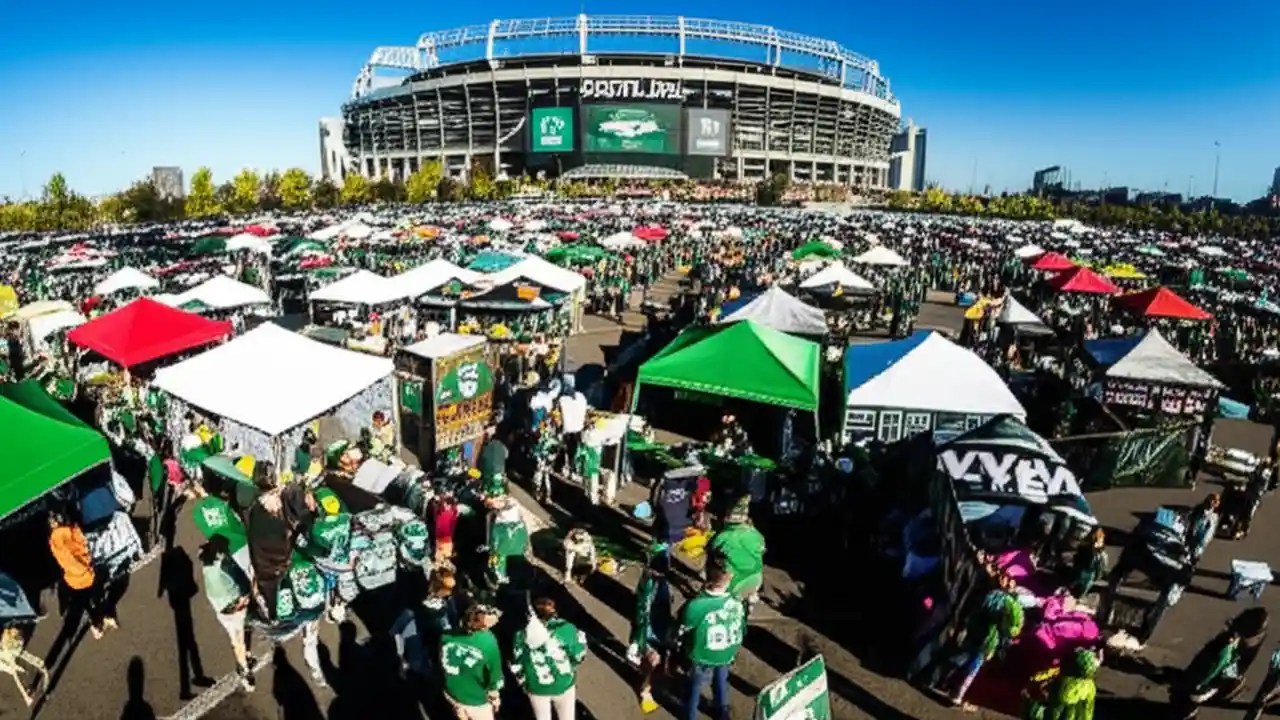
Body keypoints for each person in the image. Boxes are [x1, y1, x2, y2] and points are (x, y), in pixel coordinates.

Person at [672, 561, 746, 720]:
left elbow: (682, 629)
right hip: (725, 653)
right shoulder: (737, 603)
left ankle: (690, 715)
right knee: (721, 681)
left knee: (694, 686)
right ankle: (722, 712)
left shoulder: (696, 605)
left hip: (701, 654)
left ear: (706, 575)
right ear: (731, 578)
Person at [942, 571, 1024, 709]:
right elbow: (1011, 628)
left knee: (964, 660)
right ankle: (958, 695)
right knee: (972, 667)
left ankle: (948, 684)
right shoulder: (1008, 602)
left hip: (977, 632)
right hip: (987, 638)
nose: (1008, 581)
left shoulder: (990, 593)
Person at [511, 597, 588, 720]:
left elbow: (517, 663)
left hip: (536, 685)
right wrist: (571, 666)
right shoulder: (565, 629)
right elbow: (579, 655)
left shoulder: (520, 635)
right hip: (563, 682)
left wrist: (524, 683)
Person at [199, 535, 255, 690]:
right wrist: (246, 596)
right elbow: (243, 584)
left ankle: (243, 662)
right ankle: (244, 667)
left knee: (235, 639)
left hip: (220, 608)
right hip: (235, 606)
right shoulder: (226, 563)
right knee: (241, 637)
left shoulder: (207, 566)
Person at [49, 511, 116, 639]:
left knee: (87, 602)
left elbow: (67, 560)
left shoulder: (57, 538)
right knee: (94, 596)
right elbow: (81, 542)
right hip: (84, 572)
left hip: (77, 578)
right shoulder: (71, 529)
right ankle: (102, 618)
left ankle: (98, 623)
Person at [629, 544, 674, 714]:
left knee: (649, 660)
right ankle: (645, 690)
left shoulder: (647, 579)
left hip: (645, 628)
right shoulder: (656, 586)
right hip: (652, 632)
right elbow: (649, 613)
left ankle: (644, 677)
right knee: (653, 662)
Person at [441, 604, 504, 720]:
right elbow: (494, 673)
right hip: (476, 699)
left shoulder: (445, 637)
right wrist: (494, 694)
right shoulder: (488, 641)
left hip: (451, 694)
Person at [707, 497, 767, 611]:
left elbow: (713, 557)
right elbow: (762, 551)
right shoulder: (757, 535)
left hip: (733, 584)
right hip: (755, 580)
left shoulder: (721, 538)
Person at [557, 380, 588, 479]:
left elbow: (558, 414)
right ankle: (574, 469)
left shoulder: (562, 399)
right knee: (575, 450)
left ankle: (566, 468)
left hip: (567, 429)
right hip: (578, 428)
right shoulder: (581, 397)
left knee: (566, 449)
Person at [1067, 527, 1107, 599]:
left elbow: (1077, 558)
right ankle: (1097, 531)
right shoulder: (1074, 583)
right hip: (1086, 568)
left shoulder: (1085, 546)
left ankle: (1099, 532)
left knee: (1094, 548)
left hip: (1085, 568)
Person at [1186, 493, 1221, 564]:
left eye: (1217, 500)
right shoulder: (1200, 509)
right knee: (1192, 546)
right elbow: (1192, 518)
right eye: (1214, 500)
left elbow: (1210, 529)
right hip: (1195, 531)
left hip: (1202, 533)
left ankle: (1193, 560)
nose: (1216, 502)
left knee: (1197, 548)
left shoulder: (1214, 514)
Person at [478, 425, 509, 498]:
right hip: (499, 471)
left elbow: (483, 458)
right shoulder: (502, 446)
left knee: (488, 486)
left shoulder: (488, 446)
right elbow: (506, 455)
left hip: (490, 471)